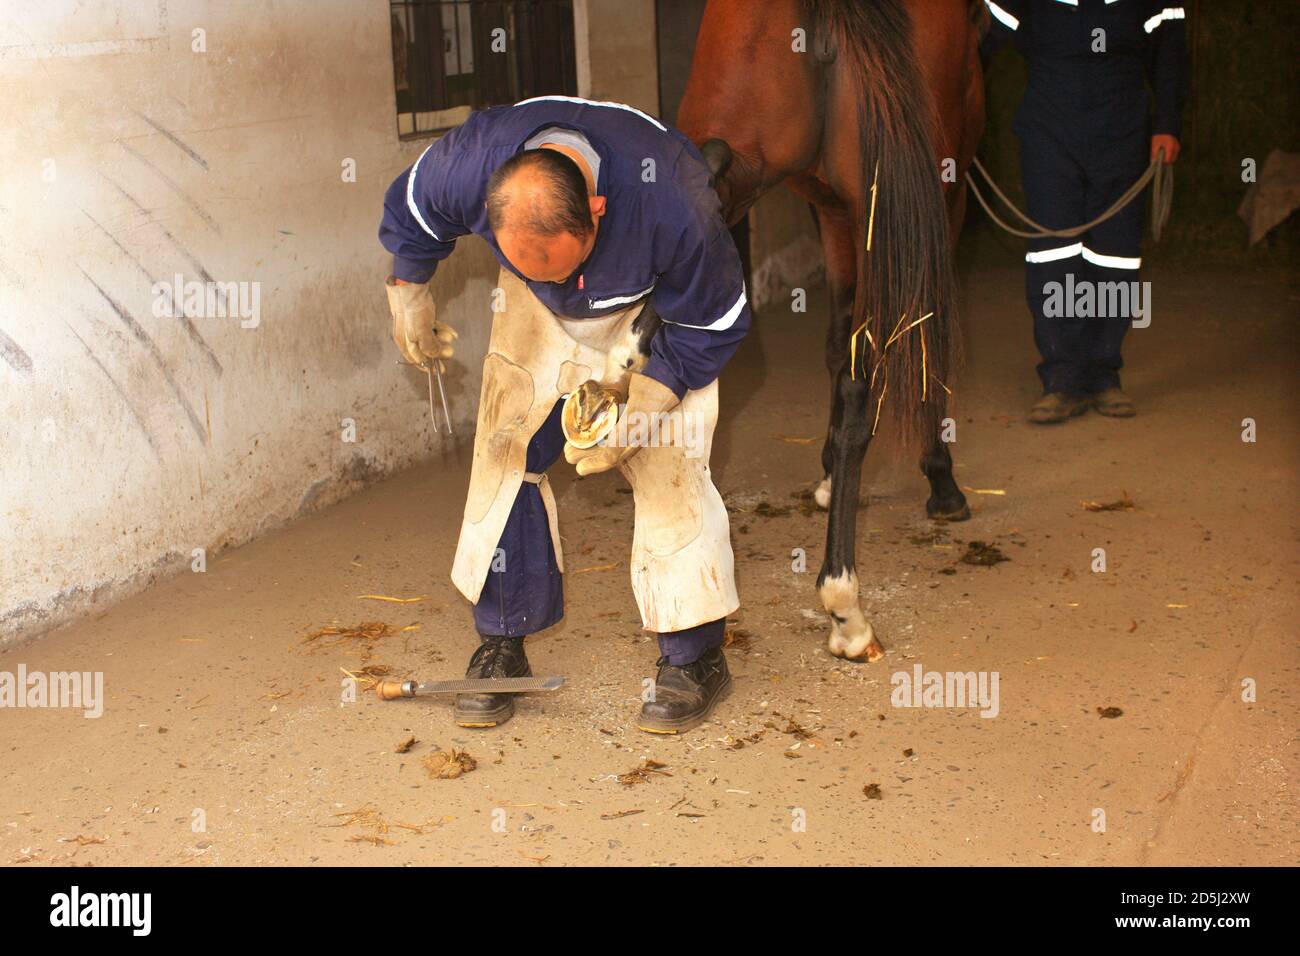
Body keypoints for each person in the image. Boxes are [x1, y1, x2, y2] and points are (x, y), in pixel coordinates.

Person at [379, 95, 750, 733]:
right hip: (531, 306)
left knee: (669, 465)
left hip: (646, 310)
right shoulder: (474, 162)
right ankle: (502, 640)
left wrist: (645, 408)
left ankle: (694, 656)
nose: (552, 278)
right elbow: (413, 204)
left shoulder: (674, 199)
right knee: (504, 449)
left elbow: (711, 320)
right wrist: (408, 289)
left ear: (598, 212)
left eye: (560, 260)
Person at [981, 0, 1188, 422]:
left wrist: (1167, 124)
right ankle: (1062, 378)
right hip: (1049, 138)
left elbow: (1171, 54)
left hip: (1124, 135)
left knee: (1116, 256)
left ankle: (1104, 373)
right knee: (1054, 254)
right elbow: (975, 47)